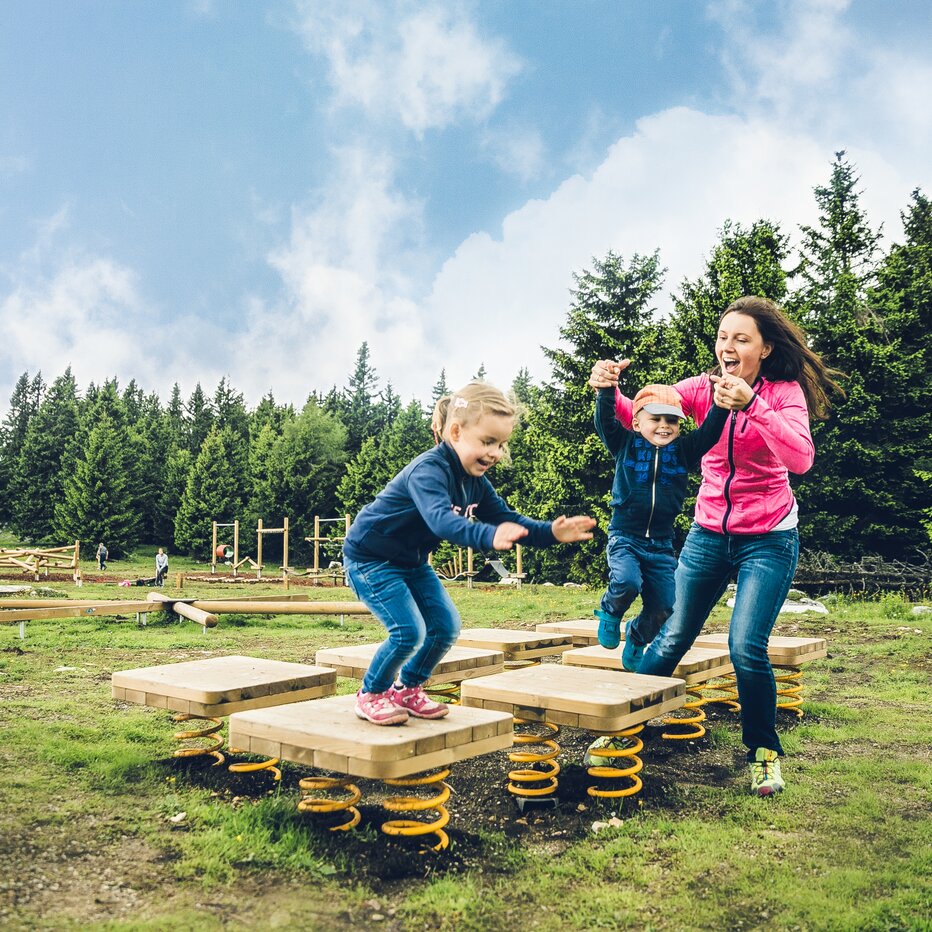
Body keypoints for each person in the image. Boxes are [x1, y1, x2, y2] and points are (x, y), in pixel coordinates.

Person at [589, 295, 843, 797]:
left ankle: (764, 754)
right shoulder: (698, 390)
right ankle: (626, 730)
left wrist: (753, 405)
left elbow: (801, 459)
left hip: (768, 538)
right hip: (708, 533)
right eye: (723, 337)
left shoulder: (784, 393)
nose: (729, 346)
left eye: (741, 338)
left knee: (745, 646)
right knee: (670, 634)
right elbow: (641, 416)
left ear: (765, 348)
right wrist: (608, 387)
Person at [342, 380, 597, 726]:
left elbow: (510, 520)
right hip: (370, 559)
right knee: (407, 631)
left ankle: (408, 690)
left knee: (445, 627)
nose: (494, 453)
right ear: (457, 432)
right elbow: (442, 521)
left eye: (501, 444)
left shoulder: (475, 481)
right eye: (488, 442)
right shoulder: (428, 471)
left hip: (411, 563)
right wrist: (488, 536)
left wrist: (550, 532)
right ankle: (371, 694)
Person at [593, 382, 728, 671]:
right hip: (625, 538)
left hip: (661, 545)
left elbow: (711, 432)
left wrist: (722, 402)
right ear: (636, 421)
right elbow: (604, 421)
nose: (664, 426)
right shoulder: (624, 443)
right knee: (627, 582)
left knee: (664, 606)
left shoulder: (684, 451)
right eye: (655, 419)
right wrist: (606, 390)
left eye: (672, 420)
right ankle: (610, 612)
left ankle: (637, 635)